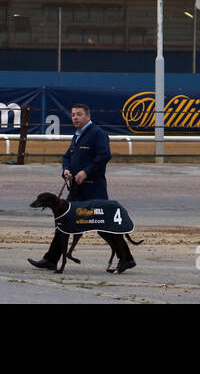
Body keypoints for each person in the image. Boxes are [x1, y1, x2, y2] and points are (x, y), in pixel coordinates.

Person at [30, 103, 134, 273]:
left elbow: (105, 155)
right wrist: (66, 170)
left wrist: (86, 171)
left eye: (79, 114)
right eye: (73, 115)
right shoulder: (77, 135)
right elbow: (67, 156)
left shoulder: (97, 133)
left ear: (88, 116)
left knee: (104, 227)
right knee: (63, 223)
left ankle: (127, 259)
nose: (75, 117)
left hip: (94, 190)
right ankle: (50, 259)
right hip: (77, 191)